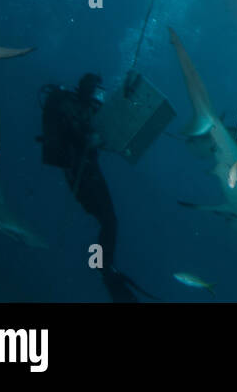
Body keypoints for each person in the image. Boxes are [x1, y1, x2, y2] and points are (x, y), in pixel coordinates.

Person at [39, 73, 149, 302]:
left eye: (102, 93)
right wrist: (92, 139)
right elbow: (80, 136)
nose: (99, 98)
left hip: (89, 170)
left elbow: (102, 133)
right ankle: (104, 268)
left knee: (110, 220)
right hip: (78, 173)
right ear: (88, 90)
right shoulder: (69, 105)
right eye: (97, 92)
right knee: (108, 220)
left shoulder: (87, 108)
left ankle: (104, 265)